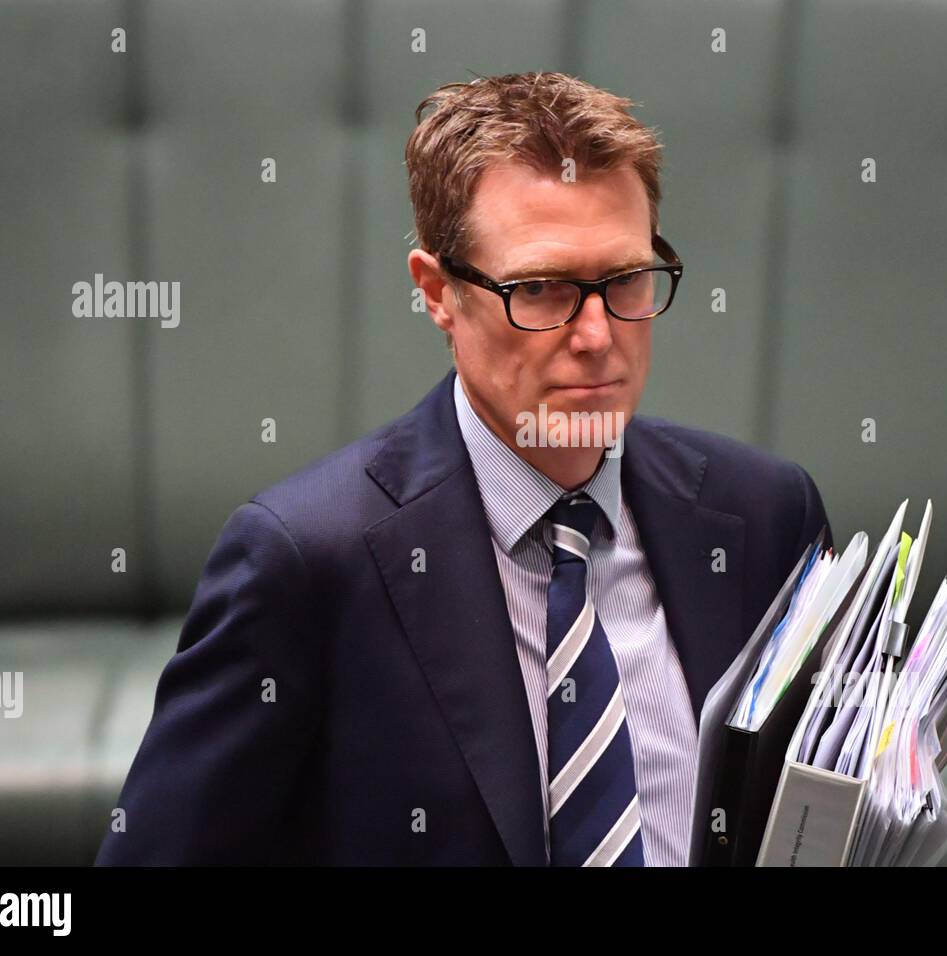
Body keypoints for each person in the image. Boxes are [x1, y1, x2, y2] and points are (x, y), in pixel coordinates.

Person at [95, 71, 831, 867]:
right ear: (438, 292)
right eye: (542, 289)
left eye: (623, 280)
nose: (596, 335)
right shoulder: (306, 560)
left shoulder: (764, 518)